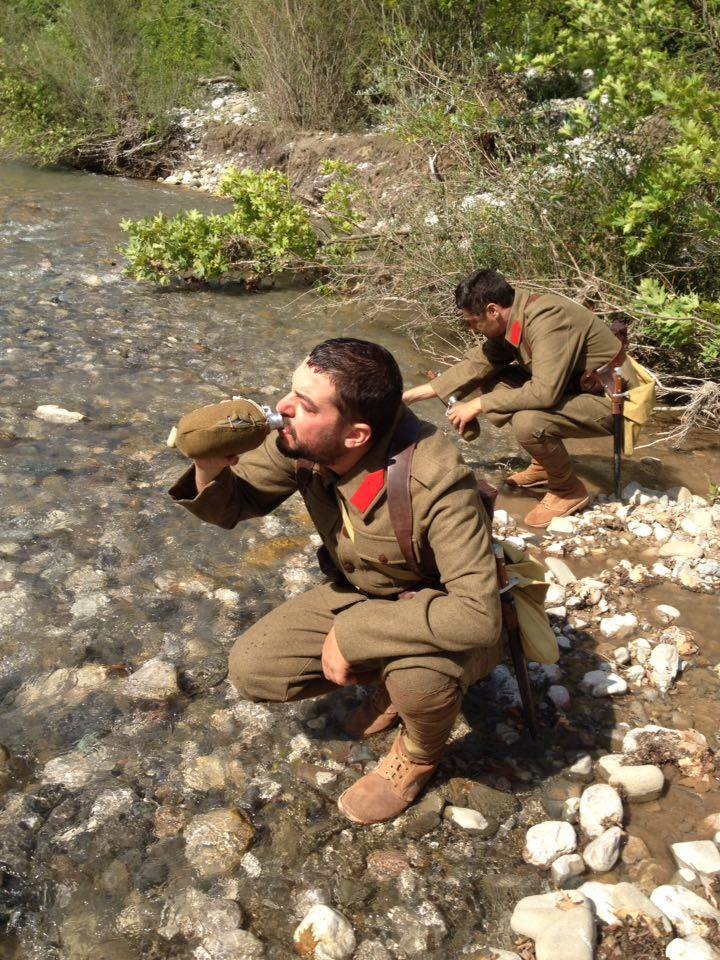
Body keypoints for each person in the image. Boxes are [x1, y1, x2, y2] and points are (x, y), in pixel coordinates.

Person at [168, 338, 502, 825]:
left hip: (441, 602)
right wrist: (209, 464)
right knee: (255, 669)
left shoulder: (435, 482)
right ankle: (389, 675)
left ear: (355, 435)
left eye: (304, 405)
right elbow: (234, 505)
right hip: (368, 588)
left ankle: (419, 752)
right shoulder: (305, 440)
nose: (282, 408)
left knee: (419, 678)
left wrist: (353, 634)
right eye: (290, 391)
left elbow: (478, 615)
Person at [403, 269, 640, 528]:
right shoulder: (513, 318)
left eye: (472, 322)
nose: (471, 329)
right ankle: (545, 465)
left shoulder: (547, 318)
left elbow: (544, 393)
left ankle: (567, 489)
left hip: (613, 400)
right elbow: (478, 364)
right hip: (574, 388)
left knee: (528, 422)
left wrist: (477, 405)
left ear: (493, 310)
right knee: (494, 380)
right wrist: (411, 396)